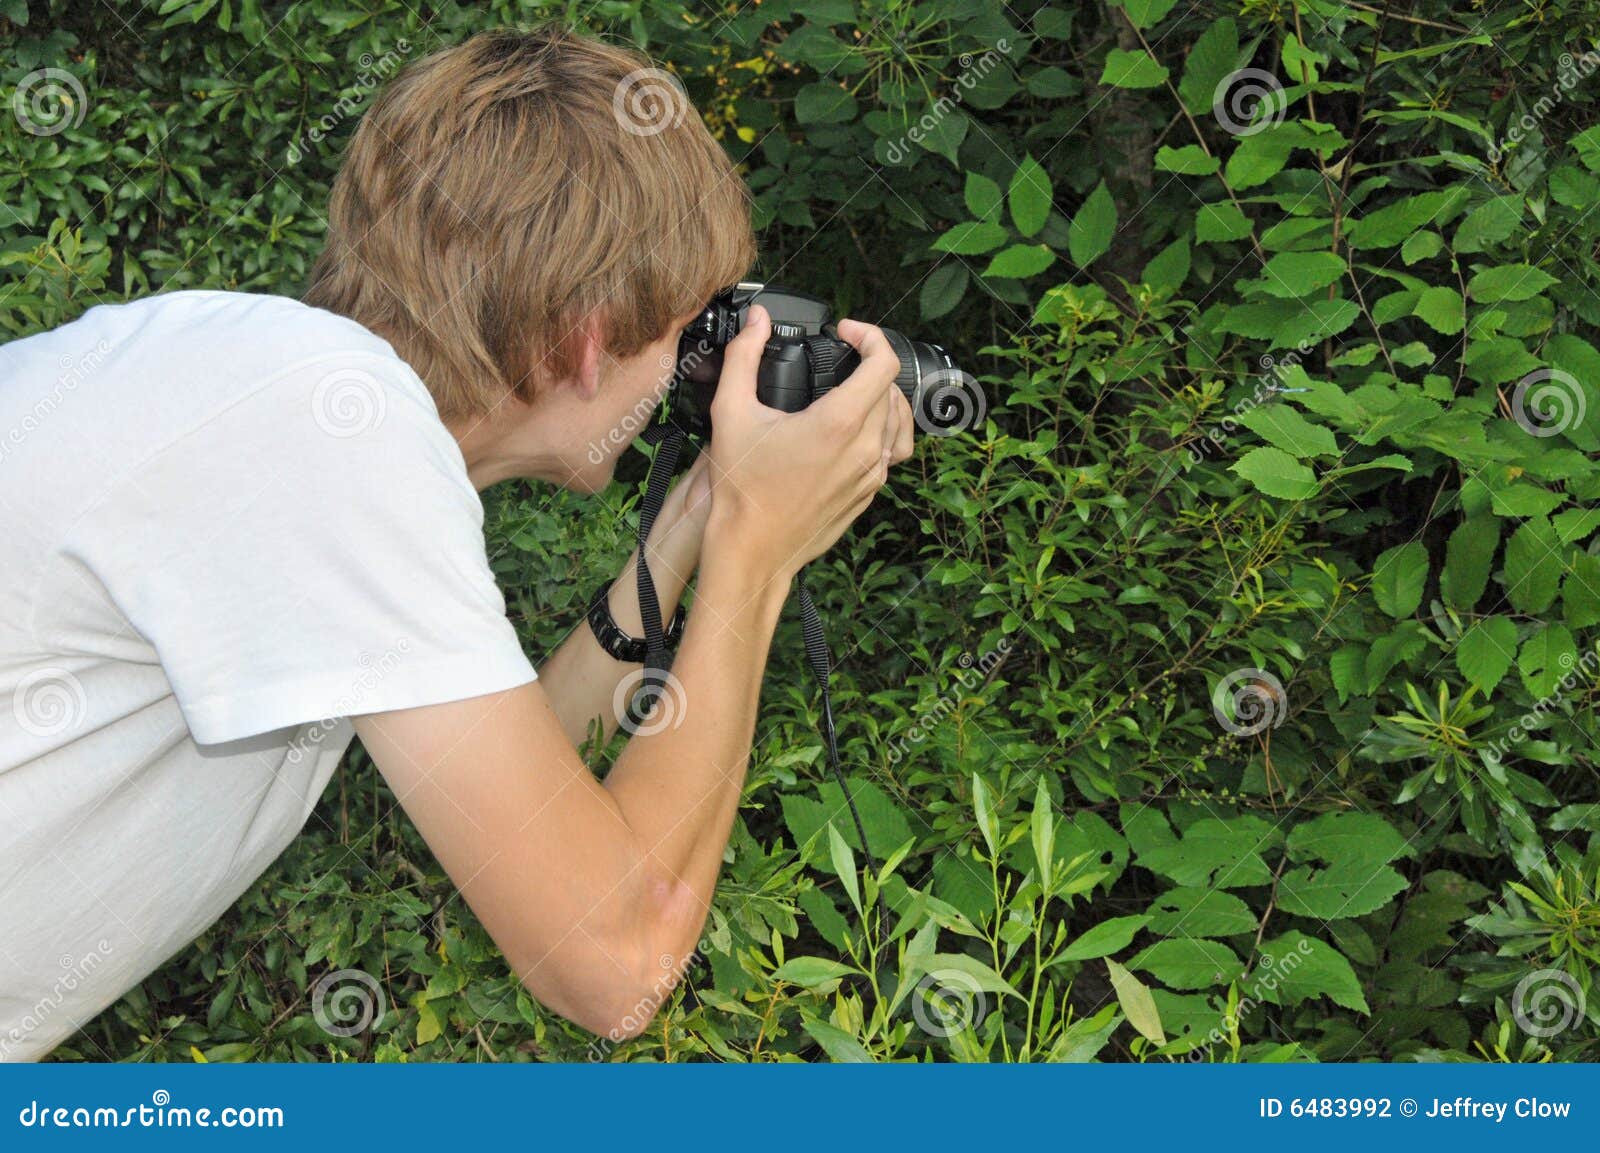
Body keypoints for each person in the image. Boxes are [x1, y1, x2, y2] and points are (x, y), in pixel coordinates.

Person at [0, 25, 913, 1061]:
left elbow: (528, 789)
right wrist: (759, 550)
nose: (686, 373)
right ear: (587, 336)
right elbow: (614, 960)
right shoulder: (324, 431)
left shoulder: (294, 405)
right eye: (683, 333)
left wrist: (702, 513)